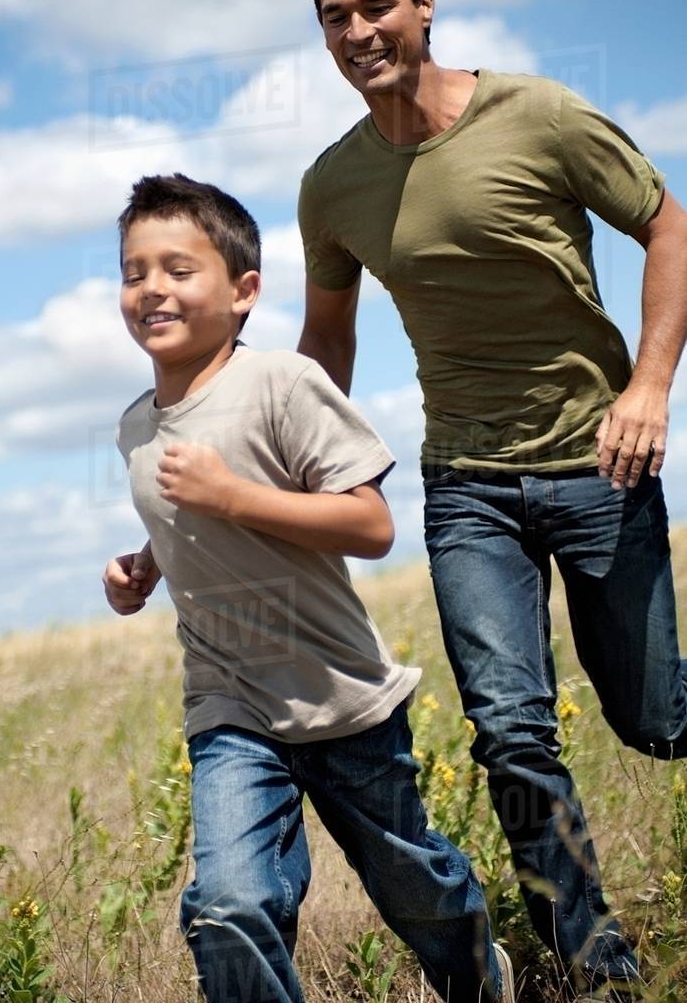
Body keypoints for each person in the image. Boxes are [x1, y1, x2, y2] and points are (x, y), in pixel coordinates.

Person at [296, 0, 687, 1001]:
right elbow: (326, 340)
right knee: (511, 732)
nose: (358, 30)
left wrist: (647, 385)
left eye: (375, 5)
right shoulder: (331, 187)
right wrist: (287, 457)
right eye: (335, 17)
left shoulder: (539, 114)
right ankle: (592, 967)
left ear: (423, 2)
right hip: (465, 487)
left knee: (655, 722)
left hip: (596, 466)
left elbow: (668, 226)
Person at [102, 172, 513, 1003]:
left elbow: (369, 525)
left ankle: (477, 973)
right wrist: (142, 564)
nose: (152, 289)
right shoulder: (136, 425)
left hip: (340, 697)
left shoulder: (282, 384)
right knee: (226, 904)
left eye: (179, 270)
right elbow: (184, 514)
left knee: (412, 886)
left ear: (243, 290)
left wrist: (232, 497)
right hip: (229, 706)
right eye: (133, 270)